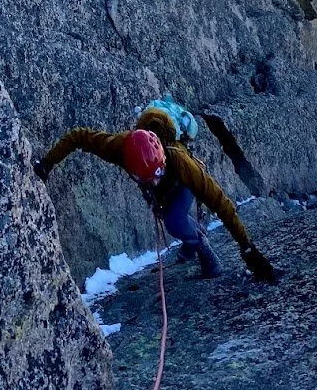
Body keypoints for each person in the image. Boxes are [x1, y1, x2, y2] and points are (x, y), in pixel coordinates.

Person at [34, 107, 277, 282]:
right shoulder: (119, 147)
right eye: (148, 179)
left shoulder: (181, 162)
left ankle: (200, 245)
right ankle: (191, 240)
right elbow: (78, 136)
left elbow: (221, 203)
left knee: (174, 221)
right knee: (168, 214)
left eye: (157, 175)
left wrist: (248, 249)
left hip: (182, 184)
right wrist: (47, 164)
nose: (155, 181)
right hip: (162, 192)